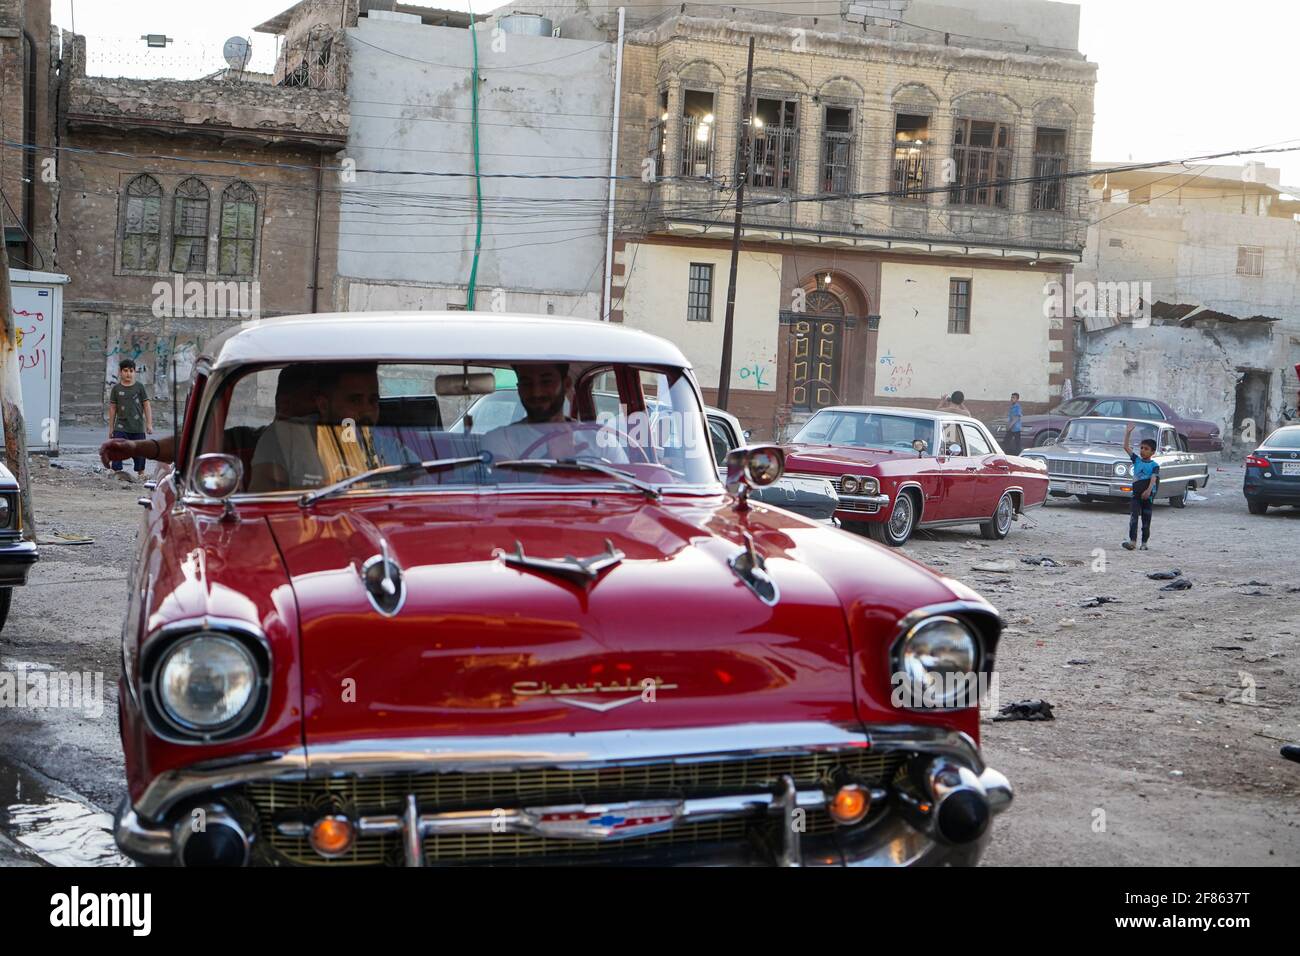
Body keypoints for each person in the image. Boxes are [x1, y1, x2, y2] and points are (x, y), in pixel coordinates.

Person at [481, 363, 628, 463]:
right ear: (519, 387)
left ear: (566, 385)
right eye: (527, 383)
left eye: (546, 382)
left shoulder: (601, 440)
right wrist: (555, 461)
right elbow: (503, 494)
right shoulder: (500, 439)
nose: (536, 392)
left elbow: (628, 493)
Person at [107, 359, 153, 481]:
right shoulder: (116, 389)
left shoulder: (139, 387)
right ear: (120, 372)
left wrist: (149, 424)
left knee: (140, 451)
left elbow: (146, 405)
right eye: (125, 371)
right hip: (121, 426)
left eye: (131, 371)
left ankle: (141, 473)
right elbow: (112, 408)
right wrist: (111, 428)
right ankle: (117, 472)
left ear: (134, 372)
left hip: (137, 427)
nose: (128, 373)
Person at [1122, 422, 1159, 551]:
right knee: (1133, 518)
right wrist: (1128, 432)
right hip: (1136, 495)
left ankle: (1144, 543)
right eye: (1142, 448)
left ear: (1152, 452)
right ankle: (1132, 542)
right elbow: (1125, 447)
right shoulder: (1136, 460)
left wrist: (1148, 491)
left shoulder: (1154, 465)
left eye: (1146, 449)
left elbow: (1153, 478)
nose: (1143, 450)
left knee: (1146, 520)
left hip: (1147, 496)